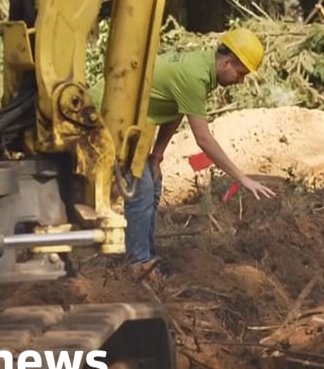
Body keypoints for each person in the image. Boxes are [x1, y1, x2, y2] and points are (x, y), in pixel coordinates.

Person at [89, 27, 277, 274]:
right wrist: (241, 177)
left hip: (130, 120)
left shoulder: (202, 68)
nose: (240, 81)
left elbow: (175, 110)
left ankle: (147, 257)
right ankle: (137, 264)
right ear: (227, 61)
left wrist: (157, 155)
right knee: (141, 188)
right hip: (106, 114)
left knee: (152, 184)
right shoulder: (195, 76)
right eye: (240, 73)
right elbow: (203, 139)